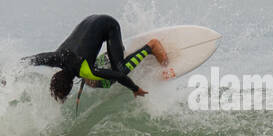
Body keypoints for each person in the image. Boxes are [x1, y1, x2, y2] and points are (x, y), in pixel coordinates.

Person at [27, 14, 169, 102]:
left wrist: (135, 88)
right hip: (89, 20)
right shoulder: (55, 58)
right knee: (91, 80)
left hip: (109, 25)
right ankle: (114, 54)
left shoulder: (84, 70)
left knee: (119, 70)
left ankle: (151, 47)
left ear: (70, 86)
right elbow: (31, 60)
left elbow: (120, 76)